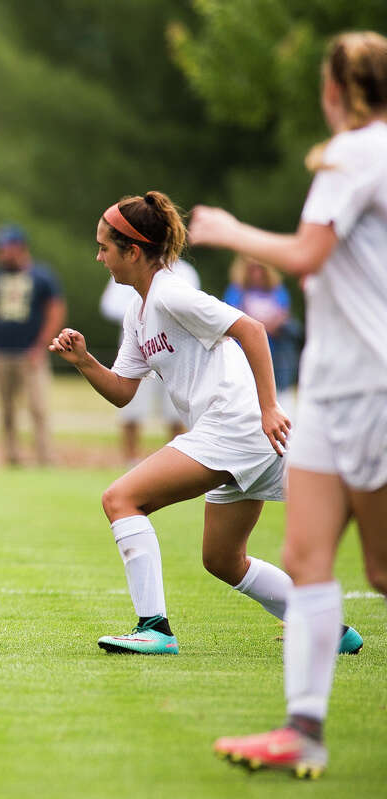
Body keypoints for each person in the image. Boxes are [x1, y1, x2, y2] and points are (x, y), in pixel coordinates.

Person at [49, 191, 362, 661]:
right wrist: (84, 361)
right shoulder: (139, 310)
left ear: (133, 251)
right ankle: (328, 629)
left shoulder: (172, 293)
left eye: (104, 247)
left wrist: (269, 407)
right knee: (222, 560)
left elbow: (251, 330)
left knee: (121, 499)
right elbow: (122, 391)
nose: (99, 256)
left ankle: (153, 628)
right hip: (235, 435)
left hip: (234, 427)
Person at [191, 30, 387, 779]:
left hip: (369, 385)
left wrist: (228, 230)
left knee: (379, 566)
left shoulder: (354, 153)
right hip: (329, 390)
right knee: (306, 558)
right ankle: (303, 729)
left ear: (338, 88)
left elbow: (307, 254)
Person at [0, 224, 65, 466]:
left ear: (19, 248)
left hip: (30, 353)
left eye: (4, 248)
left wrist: (42, 344)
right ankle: (11, 456)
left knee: (38, 407)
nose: (0, 253)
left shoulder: (42, 276)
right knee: (6, 410)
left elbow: (55, 311)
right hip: (0, 353)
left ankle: (45, 457)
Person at [99, 260, 199, 464]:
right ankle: (130, 460)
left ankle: (176, 463)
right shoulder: (130, 270)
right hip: (136, 345)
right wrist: (142, 313)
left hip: (174, 349)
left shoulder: (185, 272)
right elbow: (109, 305)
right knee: (132, 405)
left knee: (175, 409)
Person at [223, 256, 301, 416]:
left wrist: (258, 325)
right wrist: (260, 325)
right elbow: (230, 316)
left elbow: (282, 315)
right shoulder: (236, 291)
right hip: (245, 353)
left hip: (277, 354)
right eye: (252, 269)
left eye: (260, 268)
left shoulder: (277, 290)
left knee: (280, 396)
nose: (256, 273)